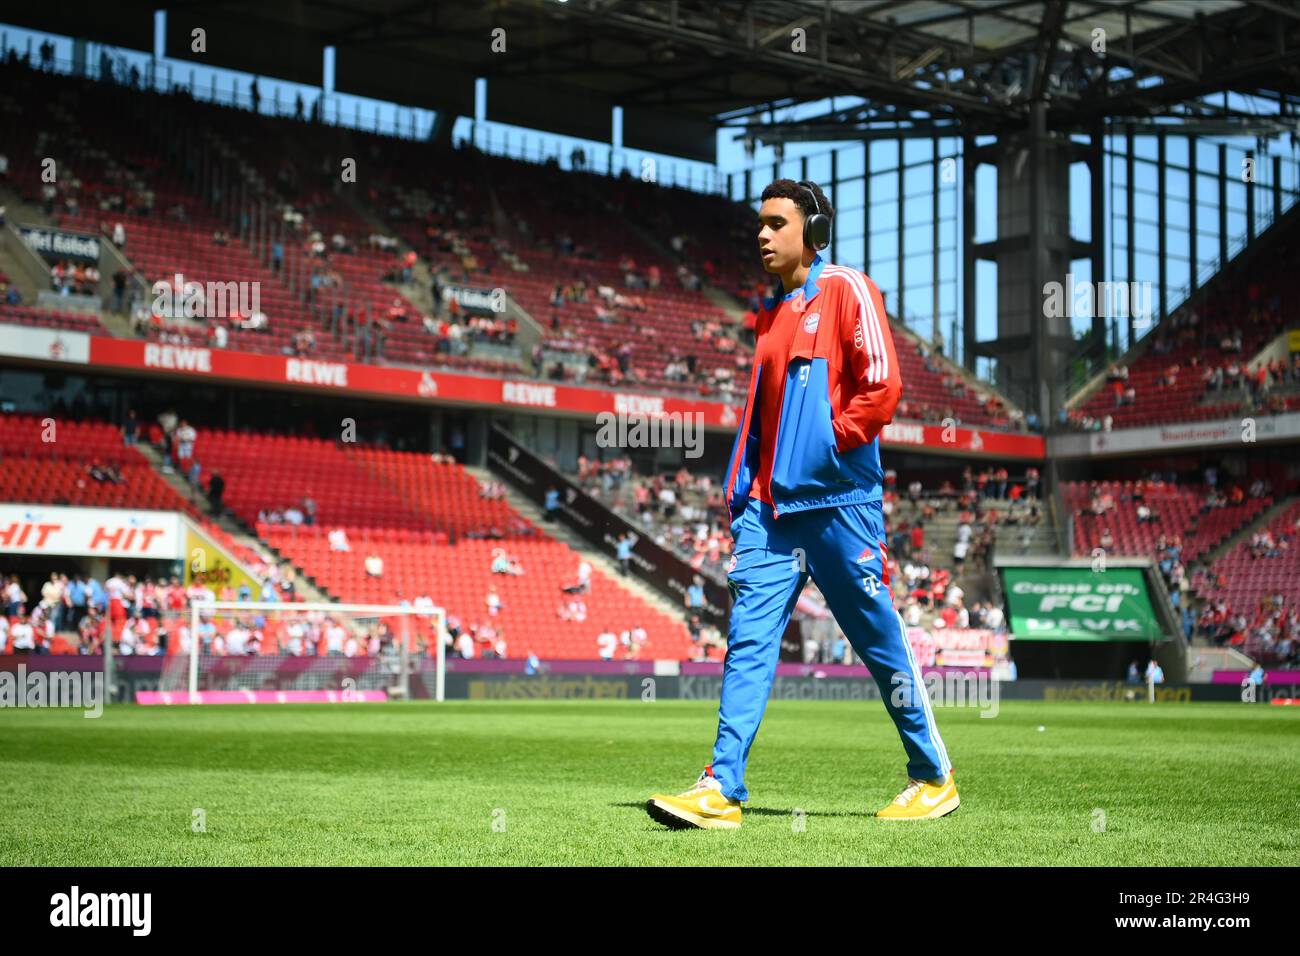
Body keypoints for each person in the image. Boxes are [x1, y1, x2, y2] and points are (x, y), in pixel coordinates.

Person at [647, 179, 955, 831]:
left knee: (879, 643)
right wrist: (743, 492)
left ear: (812, 231)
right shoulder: (771, 314)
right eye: (758, 223)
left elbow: (884, 385)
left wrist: (826, 444)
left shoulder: (847, 288)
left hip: (841, 504)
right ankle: (721, 787)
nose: (762, 234)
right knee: (748, 643)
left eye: (777, 223)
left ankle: (932, 777)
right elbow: (761, 418)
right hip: (768, 514)